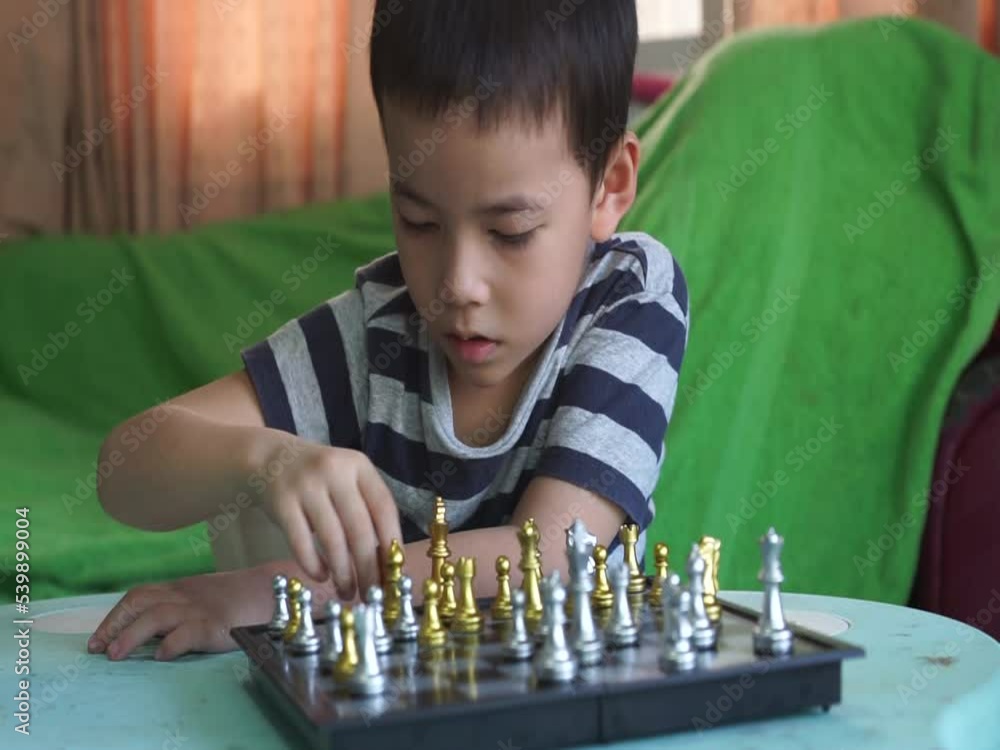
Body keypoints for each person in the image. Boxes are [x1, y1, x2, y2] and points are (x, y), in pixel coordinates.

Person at [88, 0, 689, 662]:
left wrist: (272, 592)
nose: (457, 283)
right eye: (419, 221)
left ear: (611, 186)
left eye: (510, 232)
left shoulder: (630, 300)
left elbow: (550, 555)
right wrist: (265, 461)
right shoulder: (381, 331)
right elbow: (124, 466)